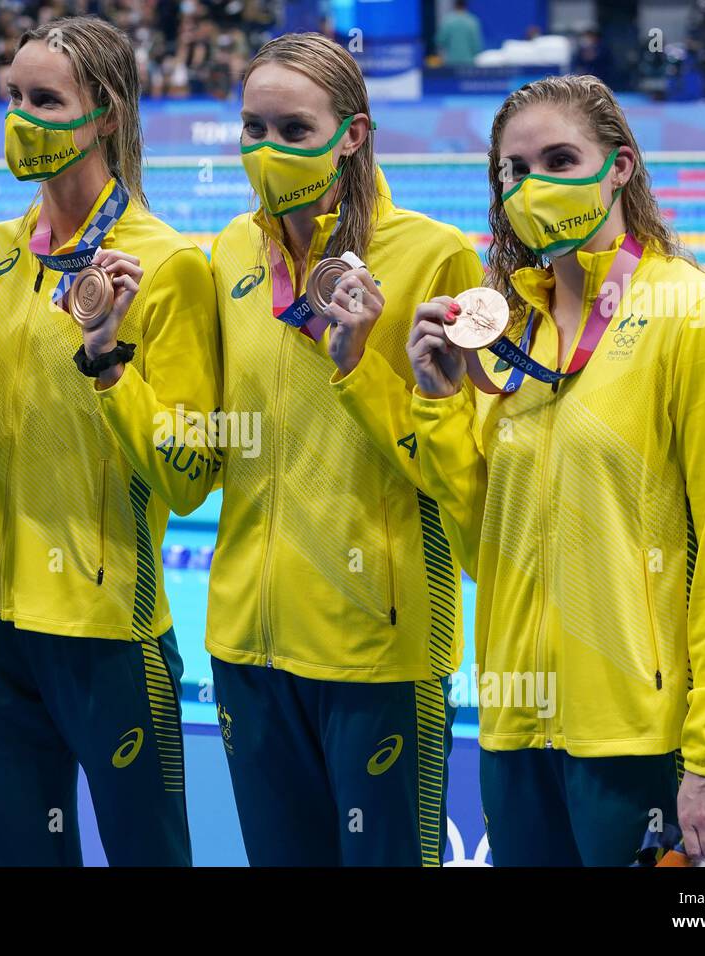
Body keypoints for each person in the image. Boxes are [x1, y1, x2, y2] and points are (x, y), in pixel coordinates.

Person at [385, 74, 705, 865]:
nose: (538, 186)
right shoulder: (509, 339)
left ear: (621, 167)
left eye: (562, 158)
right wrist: (435, 404)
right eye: (516, 171)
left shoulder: (698, 318)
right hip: (514, 731)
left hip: (636, 740)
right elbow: (484, 548)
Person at [0, 16, 219, 867]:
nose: (21, 118)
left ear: (105, 114)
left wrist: (109, 361)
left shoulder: (166, 268)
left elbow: (190, 473)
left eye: (46, 100)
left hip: (107, 631)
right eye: (13, 98)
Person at [205, 32, 483, 866]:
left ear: (351, 134)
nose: (267, 150)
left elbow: (462, 472)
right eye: (253, 129)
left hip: (378, 649)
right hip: (247, 644)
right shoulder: (227, 257)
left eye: (293, 131)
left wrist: (361, 370)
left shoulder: (434, 256)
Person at [436, 0, 485, 67]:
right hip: (468, 62)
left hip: (451, 62)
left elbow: (440, 40)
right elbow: (476, 45)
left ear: (454, 7)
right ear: (465, 7)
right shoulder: (472, 21)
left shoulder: (447, 21)